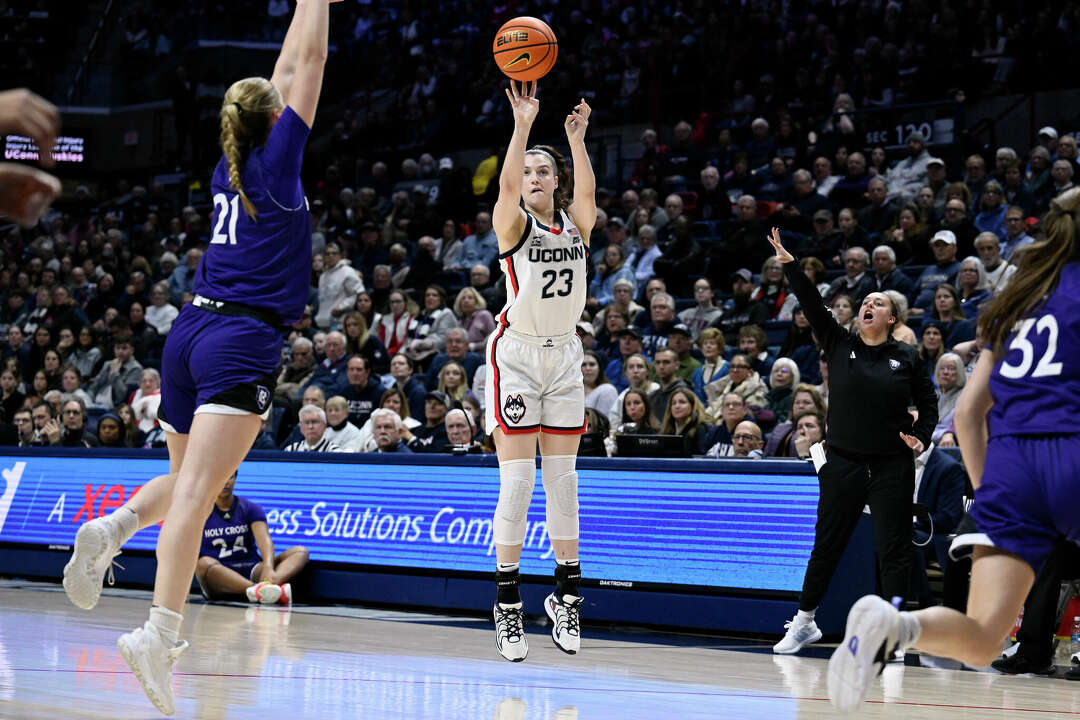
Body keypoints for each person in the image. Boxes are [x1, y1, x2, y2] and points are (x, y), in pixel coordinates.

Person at [60, 5, 331, 714]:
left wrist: (309, 6)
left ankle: (113, 528)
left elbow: (285, 70)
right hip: (240, 340)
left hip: (188, 332)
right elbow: (309, 66)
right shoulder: (276, 166)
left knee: (187, 481)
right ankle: (158, 633)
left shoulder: (230, 162)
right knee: (198, 496)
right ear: (276, 121)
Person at [825, 188, 1080, 711]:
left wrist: (992, 498)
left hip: (1011, 466)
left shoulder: (1016, 301)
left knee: (983, 636)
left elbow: (967, 414)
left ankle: (895, 626)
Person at [766, 227, 937, 657]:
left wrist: (921, 437)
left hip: (891, 464)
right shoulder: (839, 342)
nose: (868, 305)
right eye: (865, 302)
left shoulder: (907, 357)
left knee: (893, 549)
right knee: (827, 545)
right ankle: (804, 622)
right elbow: (812, 304)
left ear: (892, 319)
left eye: (878, 303)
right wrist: (791, 266)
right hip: (842, 462)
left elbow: (929, 403)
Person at [486, 80, 595, 663]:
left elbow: (589, 194)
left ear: (555, 181)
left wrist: (576, 139)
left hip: (565, 355)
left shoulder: (576, 224)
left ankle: (566, 596)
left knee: (563, 482)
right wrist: (522, 126)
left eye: (542, 172)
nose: (533, 178)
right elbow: (506, 188)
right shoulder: (514, 225)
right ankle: (507, 604)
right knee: (518, 483)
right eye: (527, 171)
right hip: (518, 356)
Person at [194, 471, 308, 604]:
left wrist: (268, 567)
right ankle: (261, 590)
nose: (226, 482)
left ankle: (268, 587)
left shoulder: (249, 507)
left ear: (235, 479)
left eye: (230, 477)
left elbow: (264, 540)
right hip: (219, 575)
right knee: (204, 563)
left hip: (251, 568)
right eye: (222, 477)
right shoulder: (201, 511)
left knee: (300, 552)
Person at [315, 240, 363, 329]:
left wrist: (341, 307)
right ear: (324, 257)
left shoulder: (347, 271)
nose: (331, 256)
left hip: (340, 323)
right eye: (327, 254)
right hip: (322, 322)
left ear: (340, 256)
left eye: (334, 253)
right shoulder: (323, 276)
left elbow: (357, 294)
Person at [606, 353, 658, 428]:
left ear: (647, 371)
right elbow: (614, 419)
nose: (635, 371)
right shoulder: (623, 395)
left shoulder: (655, 389)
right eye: (631, 367)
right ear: (625, 373)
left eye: (640, 367)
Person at [657, 387, 712, 457]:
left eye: (682, 402)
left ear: (693, 406)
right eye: (673, 403)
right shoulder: (667, 430)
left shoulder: (701, 428)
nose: (677, 406)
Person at [690, 328, 728, 403]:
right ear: (701, 348)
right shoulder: (696, 373)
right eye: (705, 343)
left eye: (712, 343)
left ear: (719, 348)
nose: (708, 346)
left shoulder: (728, 369)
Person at [581, 350, 617, 422]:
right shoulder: (571, 391)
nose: (588, 368)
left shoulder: (607, 390)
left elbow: (604, 422)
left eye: (592, 364)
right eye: (584, 365)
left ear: (599, 368)